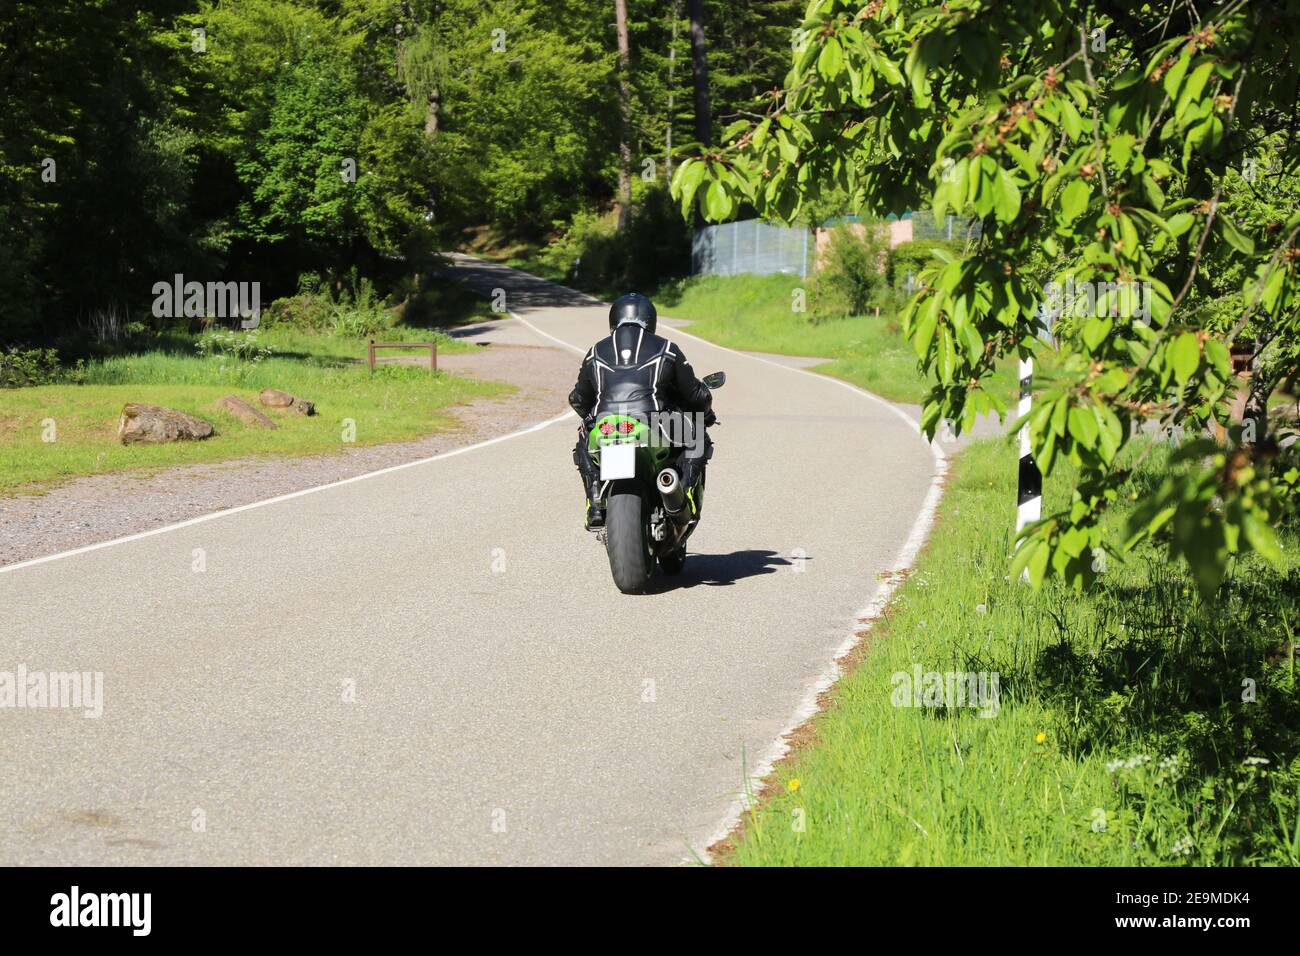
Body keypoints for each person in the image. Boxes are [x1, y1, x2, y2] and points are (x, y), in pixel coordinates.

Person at [568, 293, 713, 529]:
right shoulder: (667, 348)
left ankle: (595, 501)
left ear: (613, 319)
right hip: (653, 422)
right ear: (650, 319)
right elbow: (697, 395)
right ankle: (682, 496)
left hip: (607, 424)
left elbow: (578, 399)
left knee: (584, 438)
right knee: (696, 433)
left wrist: (590, 419)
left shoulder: (595, 351)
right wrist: (705, 412)